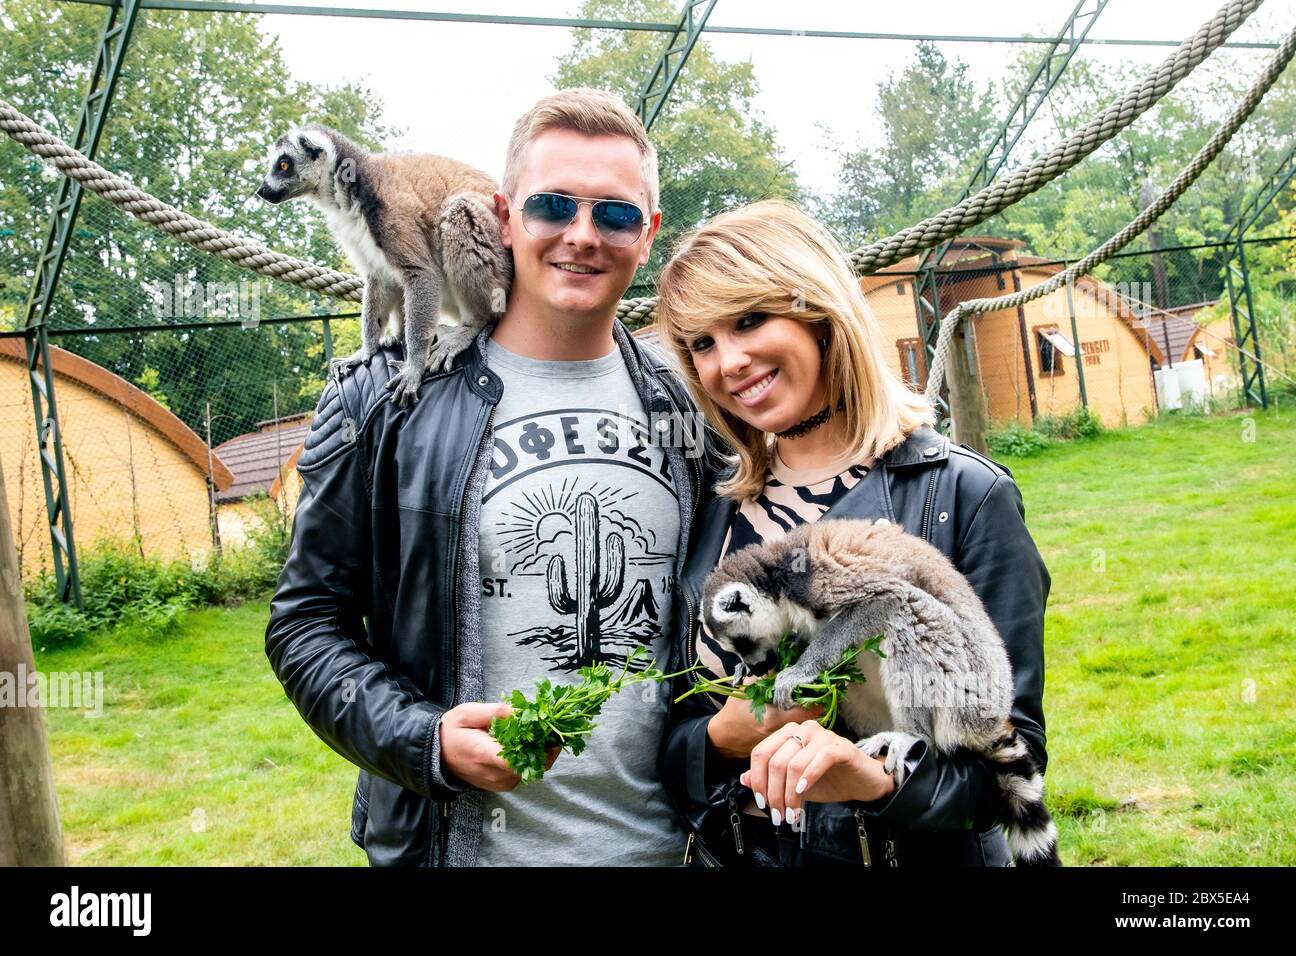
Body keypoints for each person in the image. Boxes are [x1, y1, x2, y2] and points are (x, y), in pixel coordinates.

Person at [265, 88, 710, 866]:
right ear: (504, 216)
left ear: (648, 234)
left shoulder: (689, 402)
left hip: (663, 850)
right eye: (551, 207)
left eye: (613, 214)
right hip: (463, 849)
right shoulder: (380, 401)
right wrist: (424, 740)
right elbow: (305, 626)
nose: (582, 236)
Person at [654, 199, 1051, 866]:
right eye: (703, 344)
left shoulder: (961, 496)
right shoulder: (711, 510)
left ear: (817, 311)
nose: (730, 362)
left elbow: (1009, 767)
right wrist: (721, 737)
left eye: (749, 320)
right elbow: (673, 742)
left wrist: (871, 780)